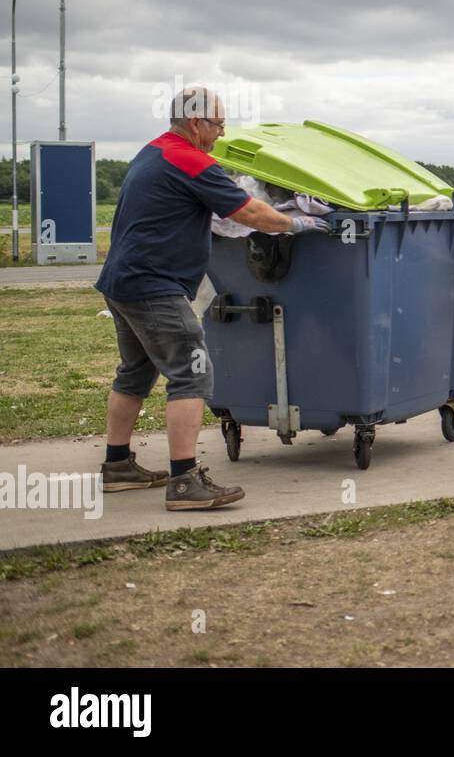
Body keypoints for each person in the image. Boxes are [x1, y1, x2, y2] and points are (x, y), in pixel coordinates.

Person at [95, 87, 329, 511]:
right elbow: (250, 213)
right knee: (191, 374)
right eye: (219, 125)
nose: (221, 135)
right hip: (154, 287)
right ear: (196, 122)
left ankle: (117, 466)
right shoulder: (188, 159)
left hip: (122, 282)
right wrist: (295, 223)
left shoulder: (153, 152)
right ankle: (185, 481)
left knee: (134, 373)